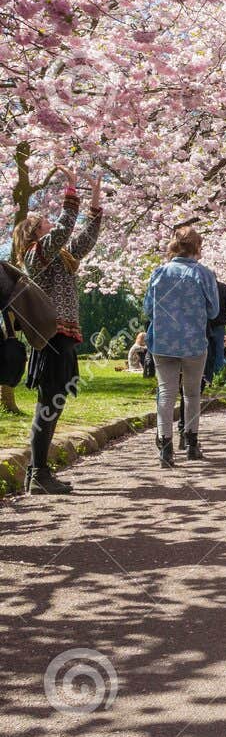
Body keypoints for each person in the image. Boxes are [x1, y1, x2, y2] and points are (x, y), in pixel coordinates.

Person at [12, 170, 103, 495]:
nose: (52, 223)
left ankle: (37, 473)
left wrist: (94, 197)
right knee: (48, 404)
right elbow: (65, 230)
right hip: (50, 339)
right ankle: (38, 473)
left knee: (54, 401)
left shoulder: (60, 259)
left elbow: (85, 239)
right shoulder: (36, 257)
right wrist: (70, 191)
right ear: (35, 232)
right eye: (45, 223)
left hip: (63, 338)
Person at [144, 226, 219, 466]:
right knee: (192, 392)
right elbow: (214, 310)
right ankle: (191, 443)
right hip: (193, 342)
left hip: (163, 341)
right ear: (196, 247)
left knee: (166, 391)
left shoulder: (159, 272)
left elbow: (147, 309)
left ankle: (165, 447)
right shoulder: (204, 274)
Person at [204, 275, 226, 383]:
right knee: (219, 351)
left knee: (207, 351)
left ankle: (208, 377)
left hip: (207, 323)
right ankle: (218, 377)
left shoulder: (205, 288)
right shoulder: (224, 287)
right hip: (220, 323)